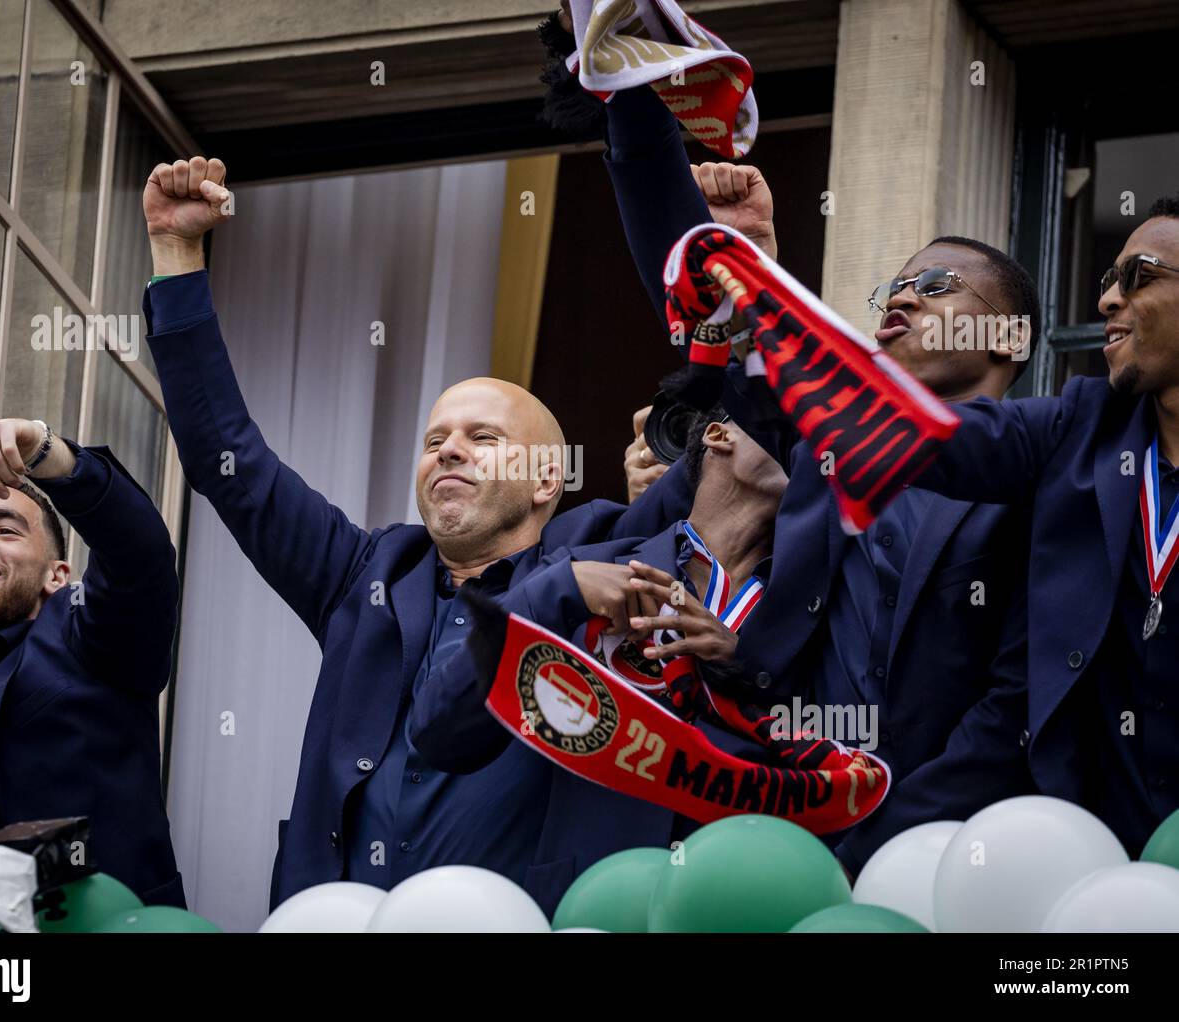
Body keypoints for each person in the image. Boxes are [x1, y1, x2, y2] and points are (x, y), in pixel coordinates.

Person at [139, 156, 696, 911]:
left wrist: (732, 275)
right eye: (435, 441)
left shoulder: (594, 560)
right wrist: (177, 255)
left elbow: (733, 479)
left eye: (482, 437)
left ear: (545, 480)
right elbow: (225, 458)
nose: (449, 451)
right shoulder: (363, 573)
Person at [595, 66, 1038, 872]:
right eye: (892, 288)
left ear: (1011, 338)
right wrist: (632, 100)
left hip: (959, 861)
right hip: (789, 847)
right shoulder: (823, 457)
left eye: (935, 285)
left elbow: (1017, 701)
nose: (900, 300)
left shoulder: (1048, 471)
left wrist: (892, 832)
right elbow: (715, 311)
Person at [411, 407, 789, 911]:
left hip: (742, 905)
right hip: (584, 903)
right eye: (788, 425)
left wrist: (742, 663)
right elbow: (439, 726)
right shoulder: (588, 567)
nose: (812, 449)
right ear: (719, 436)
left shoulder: (810, 607)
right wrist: (561, 588)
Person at [896, 197, 1179, 855]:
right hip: (1088, 872)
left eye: (1137, 275)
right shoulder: (1078, 427)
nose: (1107, 300)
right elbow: (935, 437)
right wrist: (759, 334)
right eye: (1106, 281)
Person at [0, 417, 183, 930]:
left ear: (57, 577)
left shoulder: (93, 648)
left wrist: (49, 455)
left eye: (4, 529)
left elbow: (140, 558)